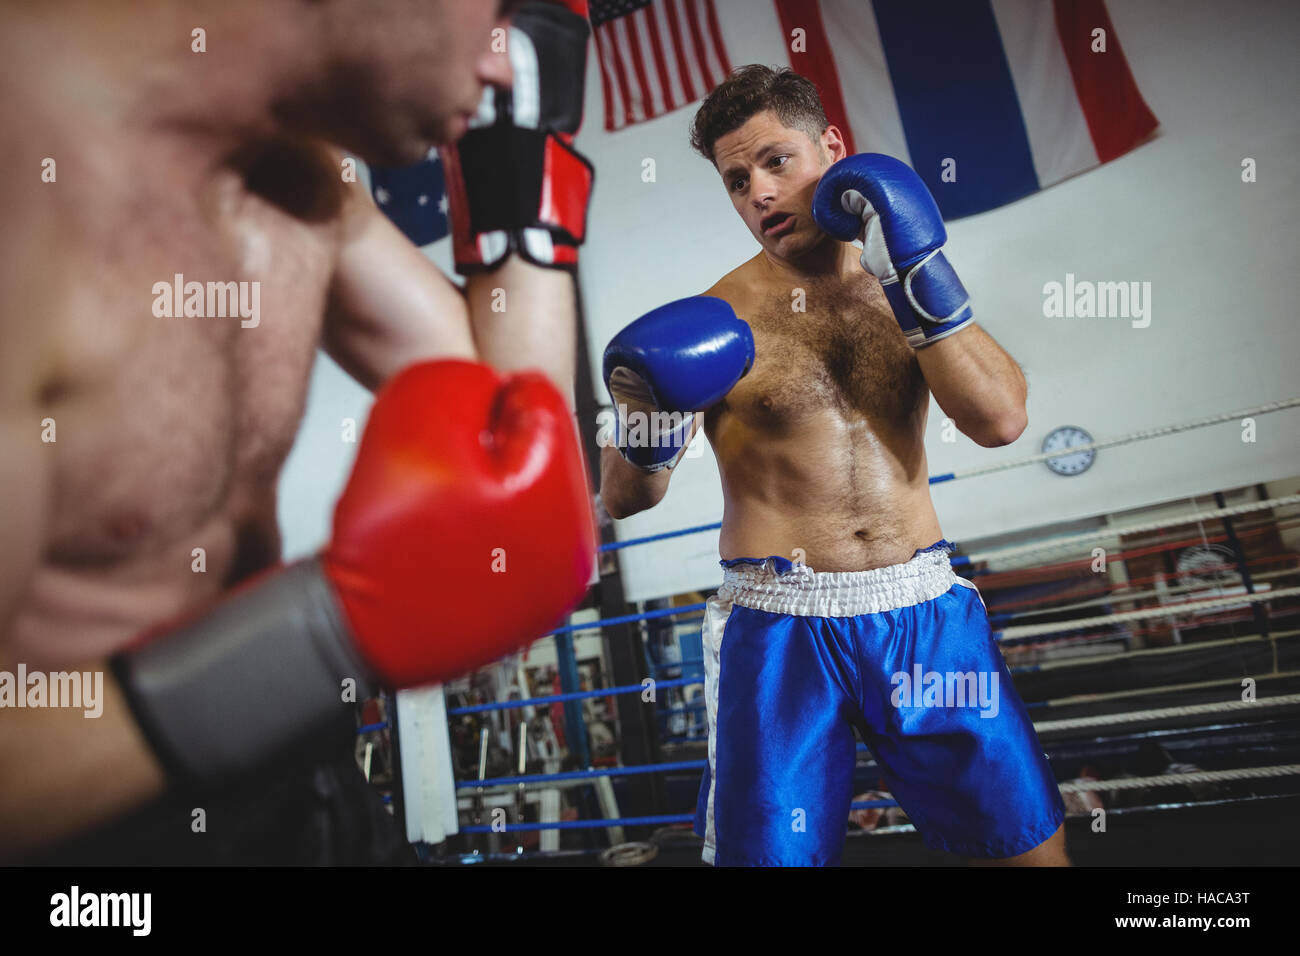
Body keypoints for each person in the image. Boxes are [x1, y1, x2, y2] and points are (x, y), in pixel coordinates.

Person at [0, 0, 596, 864]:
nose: (511, 63)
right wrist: (321, 637)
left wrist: (521, 146)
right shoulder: (28, 186)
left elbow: (510, 432)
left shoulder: (307, 179)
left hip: (313, 793)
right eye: (503, 9)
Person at [599, 65, 1068, 866]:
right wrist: (642, 411)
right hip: (780, 628)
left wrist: (918, 275)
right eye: (736, 181)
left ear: (833, 148)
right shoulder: (715, 324)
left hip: (924, 614)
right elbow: (626, 499)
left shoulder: (901, 287)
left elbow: (1000, 419)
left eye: (777, 161)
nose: (760, 194)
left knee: (1026, 851)